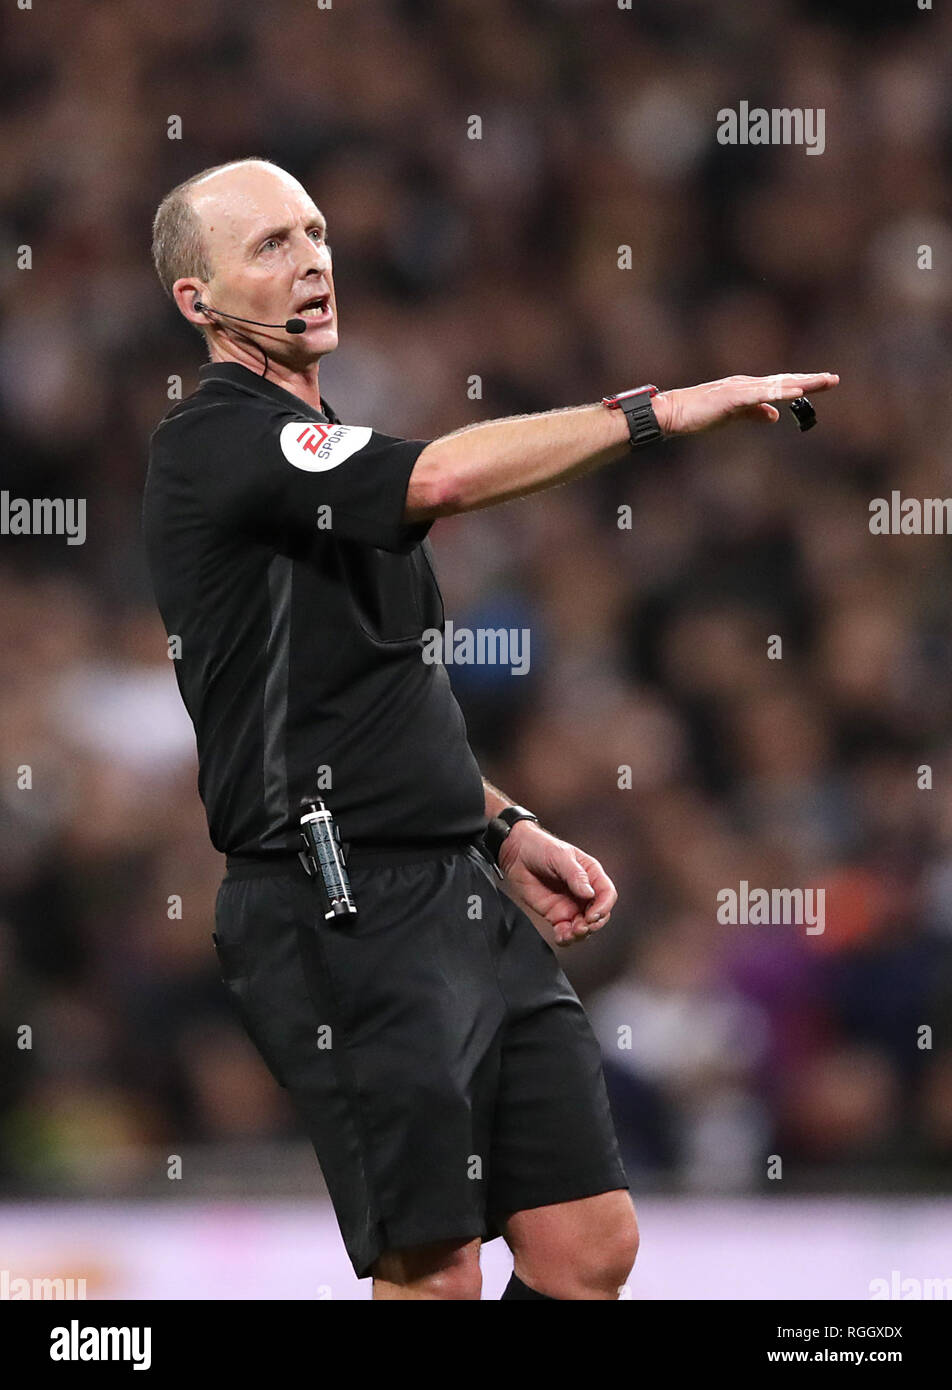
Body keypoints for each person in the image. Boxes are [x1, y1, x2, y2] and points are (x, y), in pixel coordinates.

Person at [144, 156, 839, 1300]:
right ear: (196, 300)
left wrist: (505, 824)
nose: (312, 255)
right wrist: (660, 410)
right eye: (269, 243)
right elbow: (446, 480)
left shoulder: (330, 460)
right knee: (437, 1275)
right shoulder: (213, 439)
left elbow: (375, 701)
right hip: (335, 898)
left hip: (454, 878)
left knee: (587, 1244)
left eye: (315, 230)